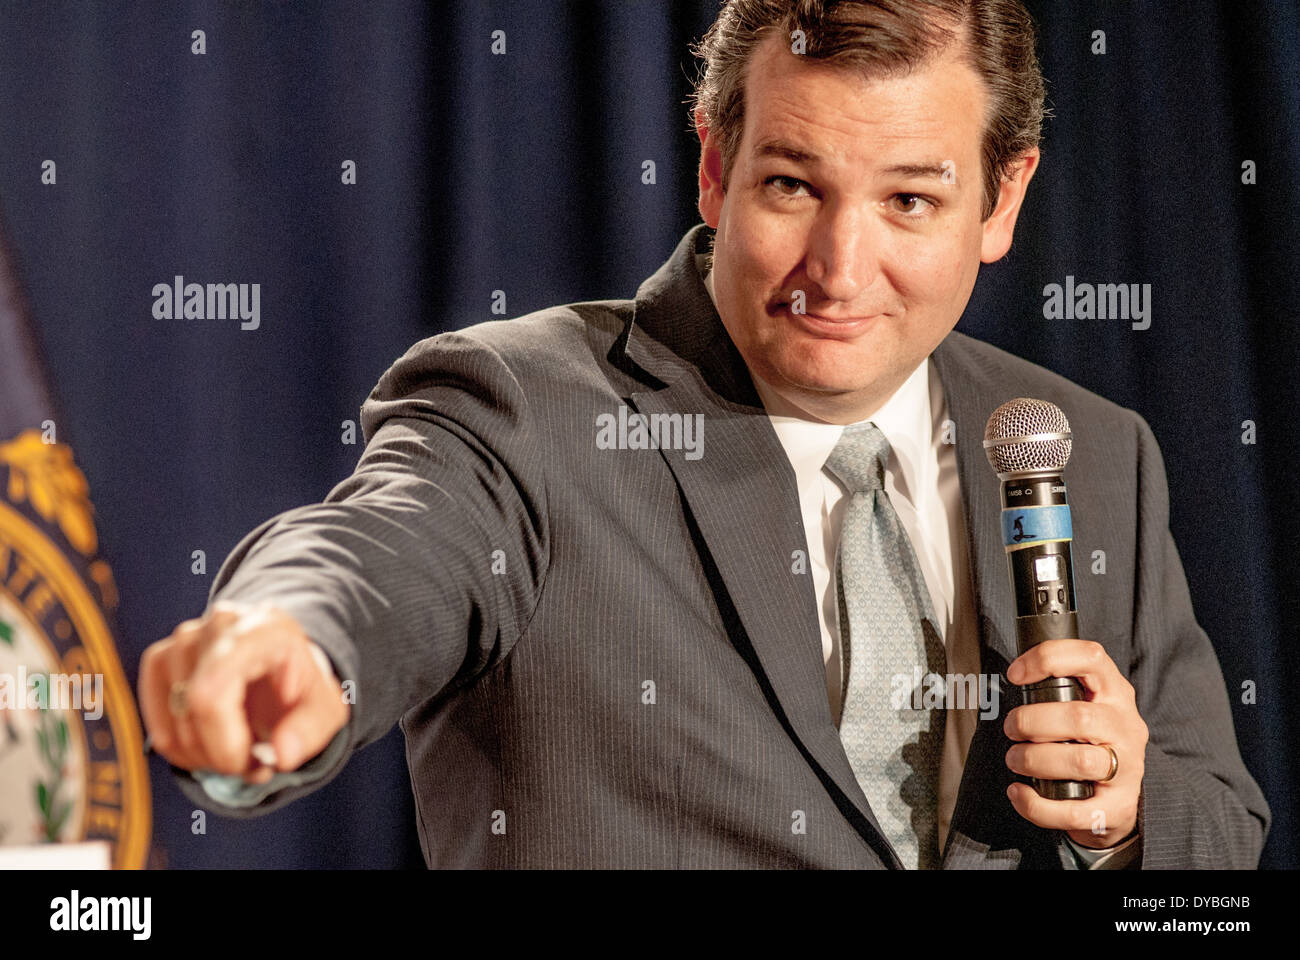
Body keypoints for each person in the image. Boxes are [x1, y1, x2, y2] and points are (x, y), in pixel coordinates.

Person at [138, 0, 1269, 869]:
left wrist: (1125, 818)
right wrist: (296, 641)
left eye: (909, 203)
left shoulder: (1088, 449)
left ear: (1002, 201)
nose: (839, 267)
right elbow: (386, 549)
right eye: (792, 184)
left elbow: (1221, 833)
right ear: (716, 167)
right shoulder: (526, 410)